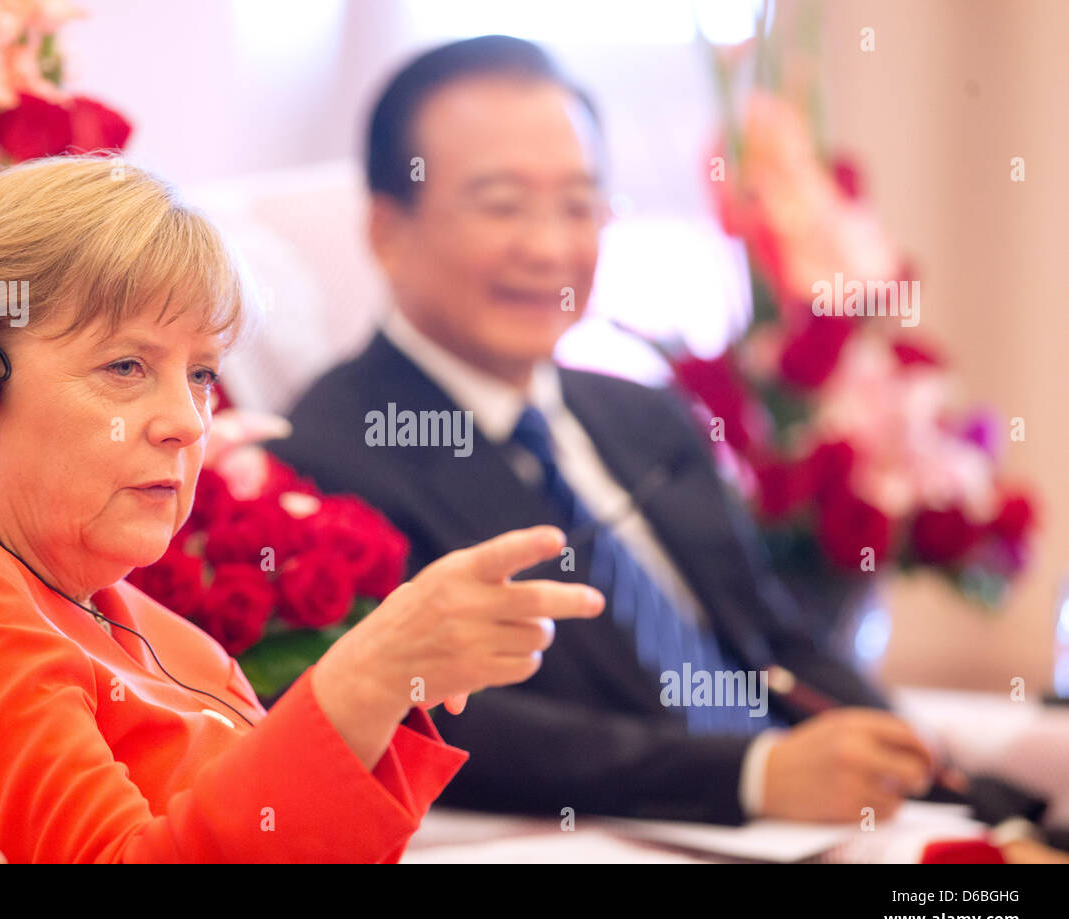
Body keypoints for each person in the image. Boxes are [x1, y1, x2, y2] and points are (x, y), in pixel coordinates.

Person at [0, 154, 606, 863]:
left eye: (200, 373)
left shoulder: (125, 612)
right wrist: (362, 682)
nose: (190, 422)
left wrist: (384, 696)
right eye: (126, 366)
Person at [268, 35, 949, 825]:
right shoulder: (330, 449)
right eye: (502, 204)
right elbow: (458, 724)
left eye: (578, 204)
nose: (551, 246)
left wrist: (908, 748)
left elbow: (767, 632)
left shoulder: (643, 416)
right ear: (387, 231)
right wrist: (752, 775)